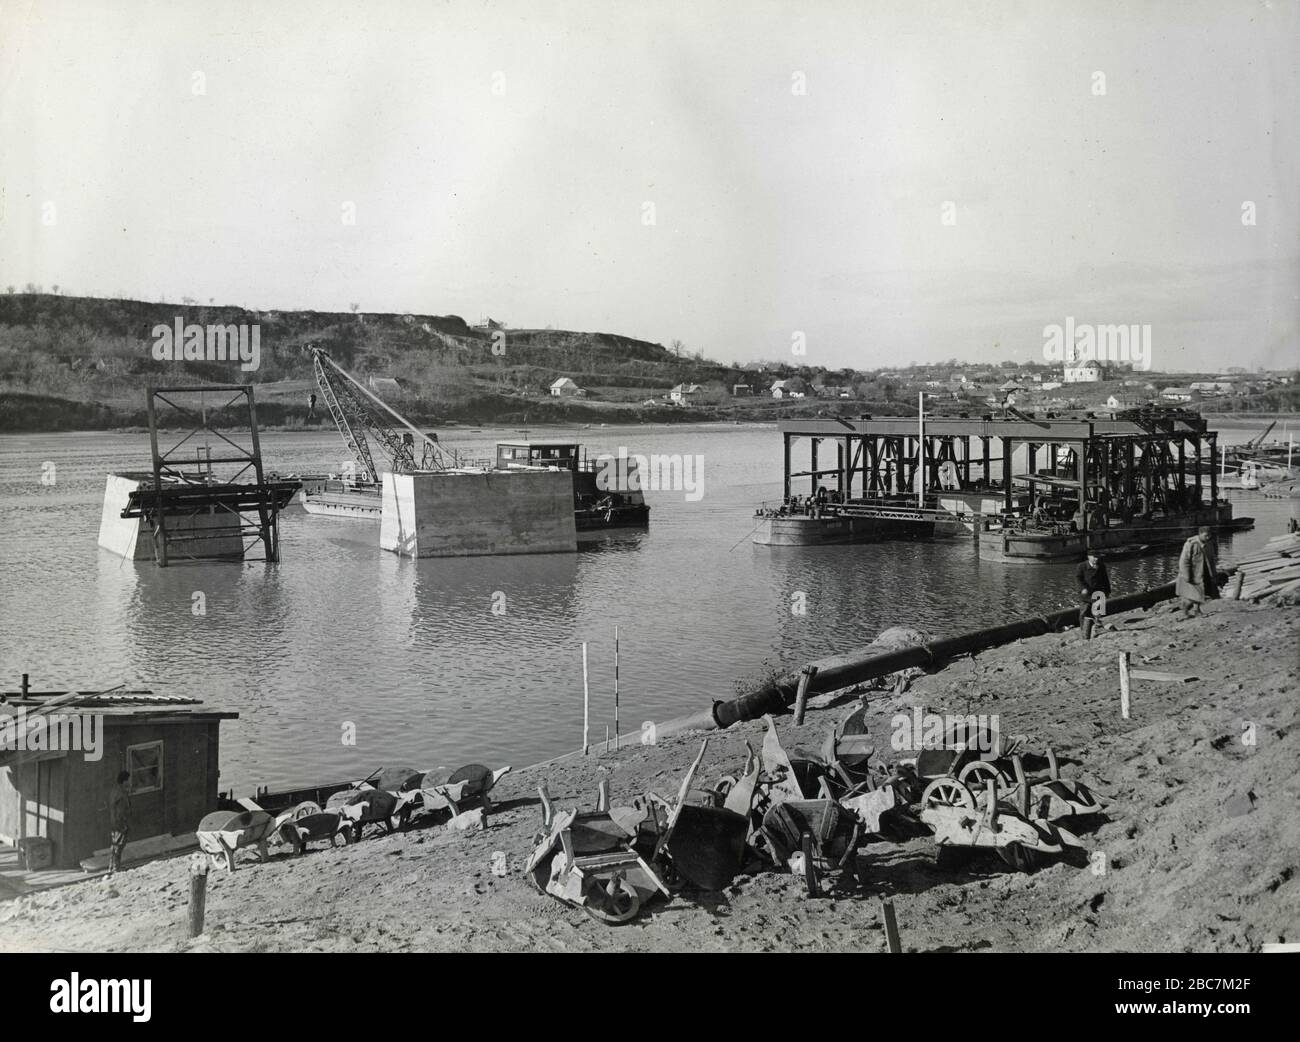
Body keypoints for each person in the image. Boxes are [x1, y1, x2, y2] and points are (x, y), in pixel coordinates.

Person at [1176, 526, 1219, 618]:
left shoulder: (1209, 543)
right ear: (1200, 534)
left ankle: (1194, 610)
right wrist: (1186, 575)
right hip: (1192, 573)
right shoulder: (1191, 544)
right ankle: (1188, 611)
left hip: (1203, 572)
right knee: (1193, 594)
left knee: (1200, 593)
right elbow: (1184, 561)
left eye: (1209, 536)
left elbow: (1211, 560)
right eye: (1206, 536)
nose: (1208, 538)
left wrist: (1213, 573)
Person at [1076, 550, 1111, 640]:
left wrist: (1107, 591)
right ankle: (1084, 632)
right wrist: (1083, 588)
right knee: (1084, 612)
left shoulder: (1101, 566)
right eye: (1094, 557)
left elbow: (1105, 579)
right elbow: (1078, 578)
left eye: (1097, 557)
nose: (1096, 559)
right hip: (1086, 593)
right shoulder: (1081, 566)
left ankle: (1096, 629)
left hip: (1098, 592)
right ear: (1089, 557)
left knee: (1098, 612)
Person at [108, 770, 131, 876]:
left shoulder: (115, 790)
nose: (129, 782)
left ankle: (112, 866)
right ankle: (116, 867)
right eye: (128, 780)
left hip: (114, 822)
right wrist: (123, 823)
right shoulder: (121, 793)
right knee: (119, 845)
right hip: (119, 822)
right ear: (124, 781)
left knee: (114, 845)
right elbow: (121, 810)